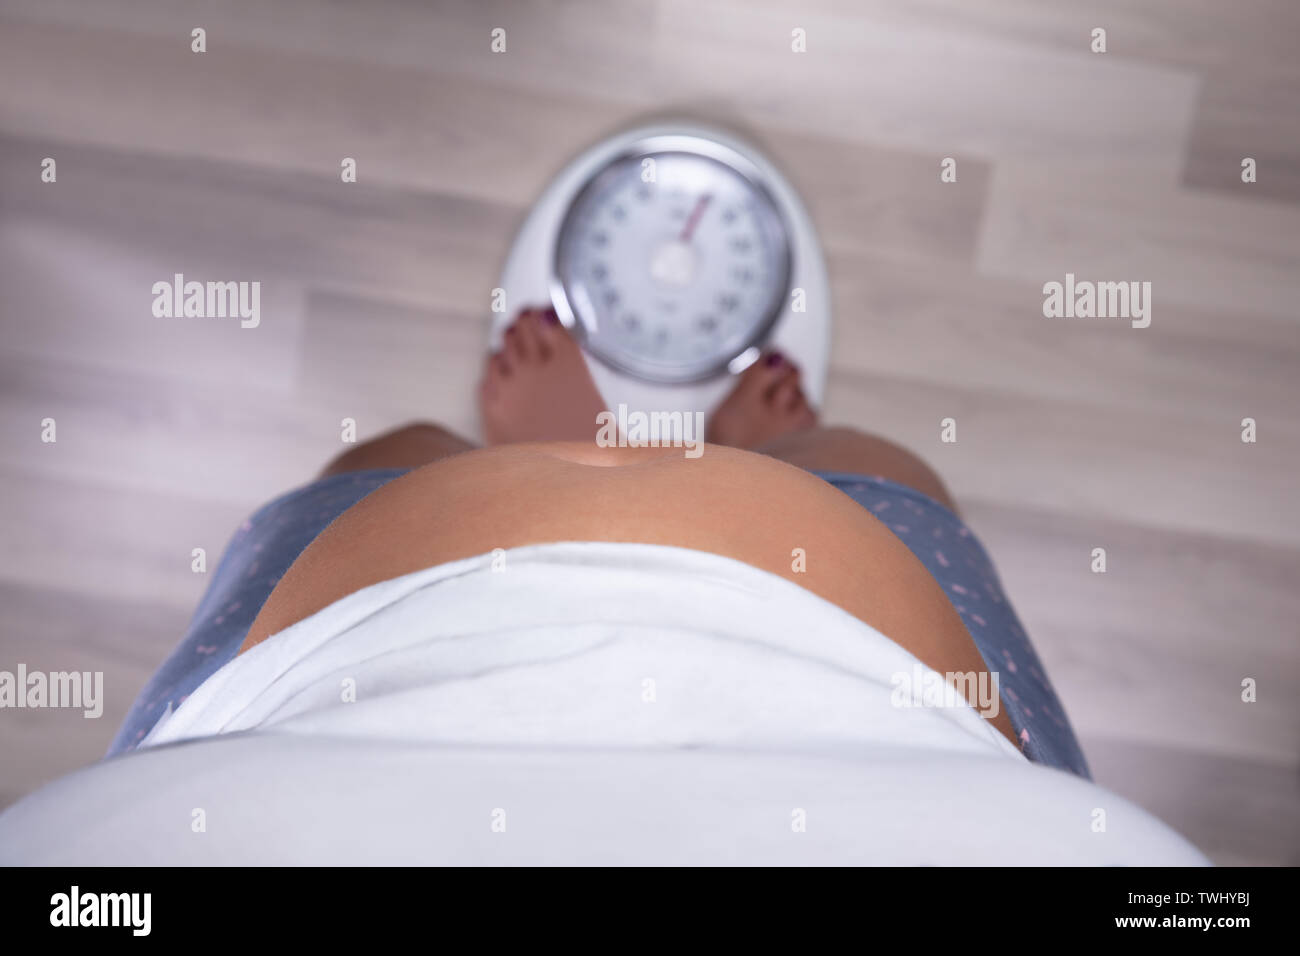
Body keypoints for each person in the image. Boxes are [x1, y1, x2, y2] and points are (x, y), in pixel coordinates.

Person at [0, 307, 1206, 865]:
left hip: (286, 690)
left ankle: (532, 451)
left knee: (390, 455)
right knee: (883, 472)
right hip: (918, 707)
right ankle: (754, 454)